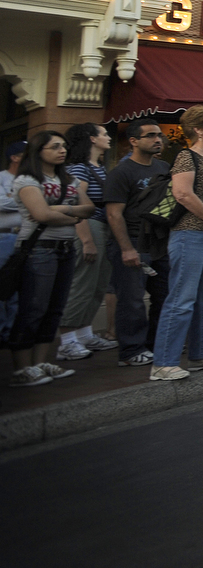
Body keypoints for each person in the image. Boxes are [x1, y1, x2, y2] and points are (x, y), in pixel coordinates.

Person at [151, 105, 203, 380]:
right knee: (182, 298)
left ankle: (201, 355)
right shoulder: (187, 157)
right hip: (190, 233)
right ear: (198, 130)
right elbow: (183, 194)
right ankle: (163, 364)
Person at [6, 132, 96, 386]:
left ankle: (41, 361)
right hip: (39, 249)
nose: (62, 150)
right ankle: (22, 367)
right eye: (55, 146)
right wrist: (71, 215)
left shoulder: (69, 179)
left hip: (66, 247)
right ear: (39, 150)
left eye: (64, 146)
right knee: (33, 308)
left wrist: (63, 209)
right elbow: (41, 215)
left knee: (55, 308)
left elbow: (89, 209)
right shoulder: (26, 180)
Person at [104, 121, 170, 368]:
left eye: (159, 135)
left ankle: (156, 344)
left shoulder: (163, 167)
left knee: (165, 295)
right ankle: (131, 350)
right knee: (132, 298)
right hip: (132, 241)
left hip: (160, 242)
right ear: (134, 141)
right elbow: (113, 214)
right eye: (151, 136)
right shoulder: (121, 173)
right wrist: (126, 248)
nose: (157, 140)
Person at [56, 124, 119, 360]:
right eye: (104, 134)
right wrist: (86, 240)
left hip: (102, 227)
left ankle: (84, 334)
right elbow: (76, 207)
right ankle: (67, 341)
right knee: (82, 283)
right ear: (92, 139)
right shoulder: (78, 170)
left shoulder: (98, 168)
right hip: (89, 227)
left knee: (97, 284)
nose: (108, 137)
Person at [0, 141, 26, 341]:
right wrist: (27, 198)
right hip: (5, 236)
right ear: (14, 157)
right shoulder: (2, 177)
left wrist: (13, 198)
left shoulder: (33, 179)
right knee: (3, 284)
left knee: (21, 285)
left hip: (28, 236)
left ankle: (12, 332)